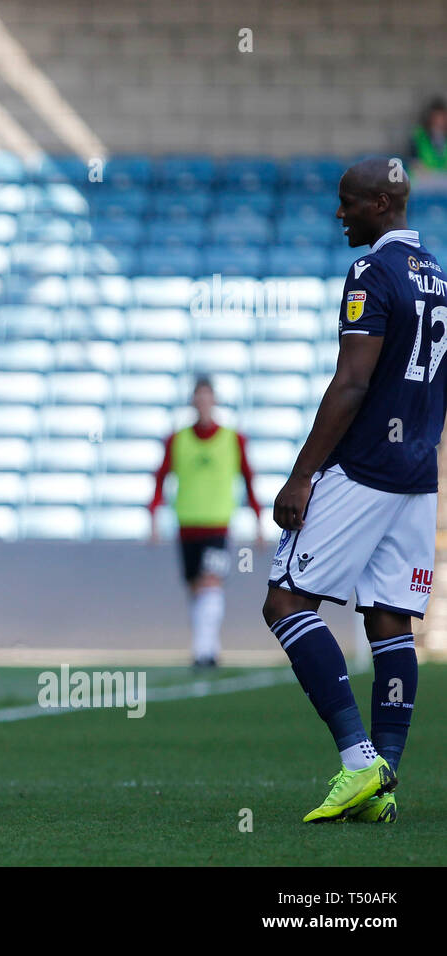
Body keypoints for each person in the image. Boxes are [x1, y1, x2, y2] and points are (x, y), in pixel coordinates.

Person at [263, 157, 444, 824]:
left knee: (285, 602)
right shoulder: (440, 278)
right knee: (388, 617)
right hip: (418, 473)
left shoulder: (372, 272)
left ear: (379, 207)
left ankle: (360, 759)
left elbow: (353, 382)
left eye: (348, 203)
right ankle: (383, 788)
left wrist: (302, 473)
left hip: (366, 466)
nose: (340, 214)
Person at [149, 378, 263, 668]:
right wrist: (153, 517)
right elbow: (161, 478)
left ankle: (203, 653)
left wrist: (258, 519)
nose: (202, 403)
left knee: (210, 582)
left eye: (207, 397)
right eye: (198, 397)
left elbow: (248, 478)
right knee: (194, 587)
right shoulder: (177, 439)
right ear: (193, 402)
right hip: (187, 523)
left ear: (214, 401)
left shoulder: (232, 439)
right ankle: (208, 645)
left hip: (218, 524)